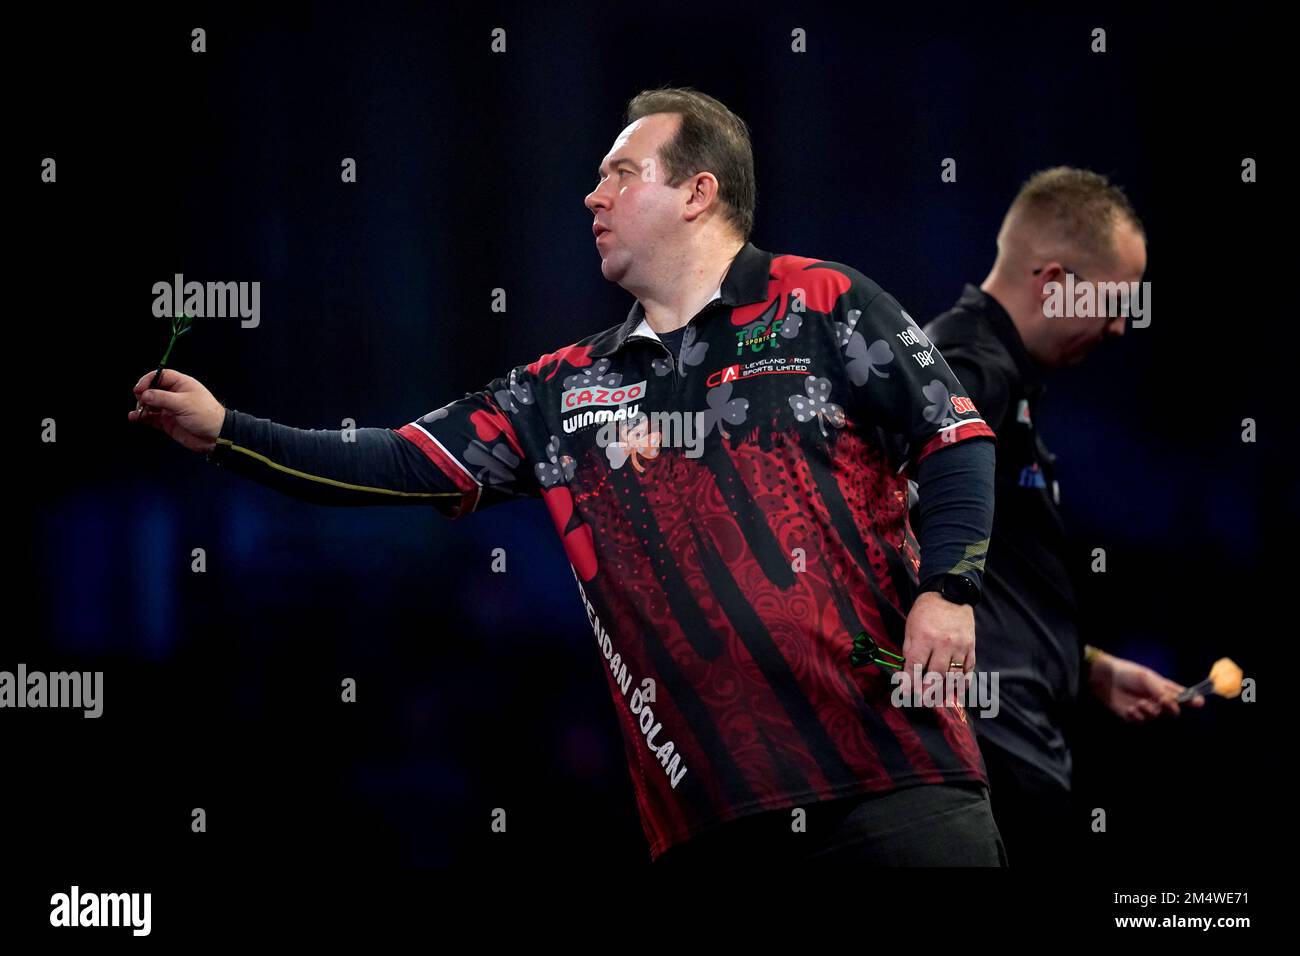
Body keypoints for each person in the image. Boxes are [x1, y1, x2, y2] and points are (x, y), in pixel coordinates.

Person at [131, 87, 1004, 865]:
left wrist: (950, 588)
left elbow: (955, 436)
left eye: (622, 173)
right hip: (715, 821)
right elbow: (403, 460)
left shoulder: (823, 300)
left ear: (699, 192)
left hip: (898, 776)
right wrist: (227, 433)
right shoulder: (561, 388)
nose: (592, 196)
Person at [923, 167, 1203, 867]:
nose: (1118, 325)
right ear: (1052, 281)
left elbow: (997, 576)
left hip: (1020, 754)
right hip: (990, 763)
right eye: (1112, 302)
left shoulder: (1005, 382)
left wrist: (1089, 669)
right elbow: (885, 512)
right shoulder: (968, 369)